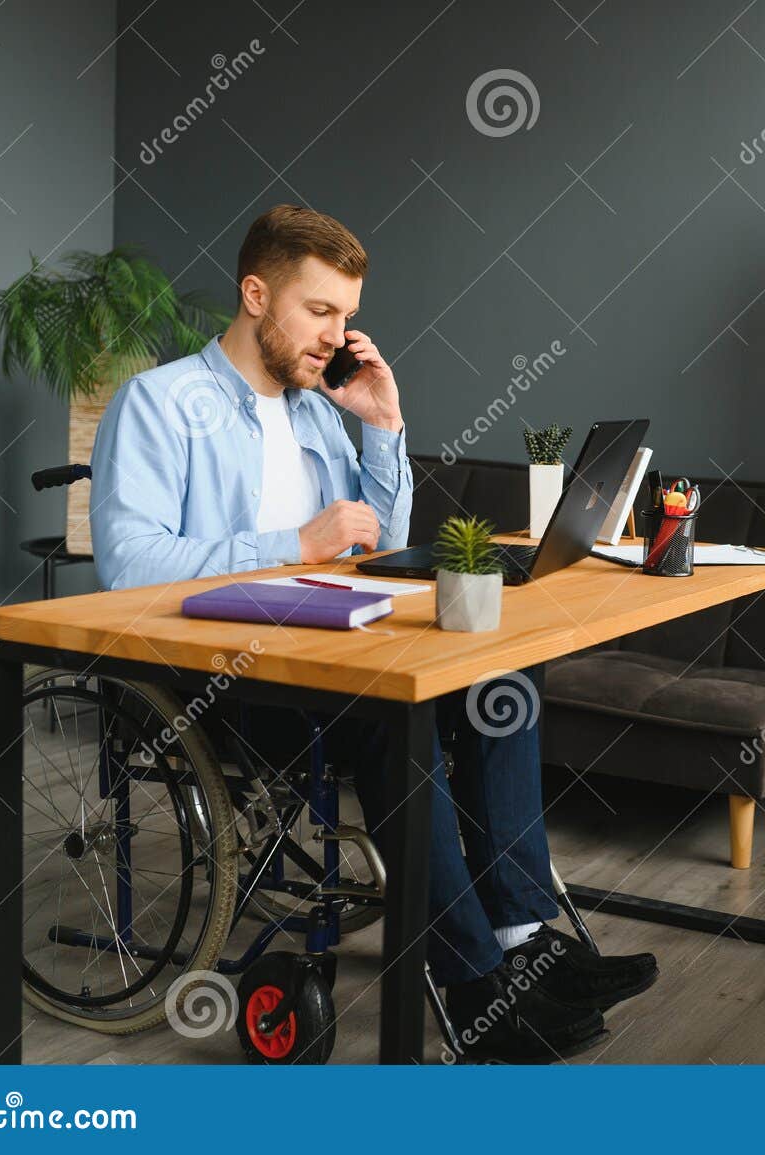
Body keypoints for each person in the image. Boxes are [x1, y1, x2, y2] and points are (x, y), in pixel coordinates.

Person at [90, 204, 656, 1062]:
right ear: (255, 294)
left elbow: (379, 549)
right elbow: (127, 567)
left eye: (348, 316)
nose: (337, 334)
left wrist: (384, 426)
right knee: (401, 718)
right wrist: (295, 545)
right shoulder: (161, 403)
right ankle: (474, 991)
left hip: (334, 646)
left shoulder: (320, 412)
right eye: (321, 312)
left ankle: (523, 941)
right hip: (226, 681)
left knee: (504, 678)